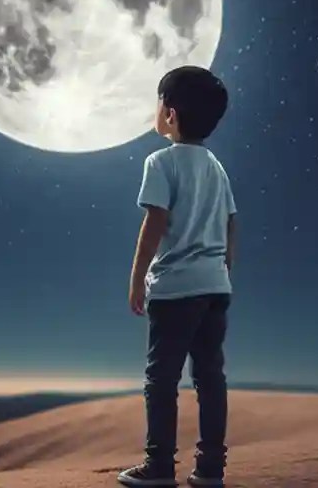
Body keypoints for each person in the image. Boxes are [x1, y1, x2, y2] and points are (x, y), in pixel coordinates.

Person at [117, 66, 236, 488]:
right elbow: (230, 222)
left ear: (168, 113)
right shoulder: (216, 167)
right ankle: (210, 470)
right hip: (215, 288)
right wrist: (223, 273)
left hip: (174, 288)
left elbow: (155, 222)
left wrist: (136, 279)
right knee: (210, 377)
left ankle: (160, 466)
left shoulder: (160, 161)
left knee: (161, 379)